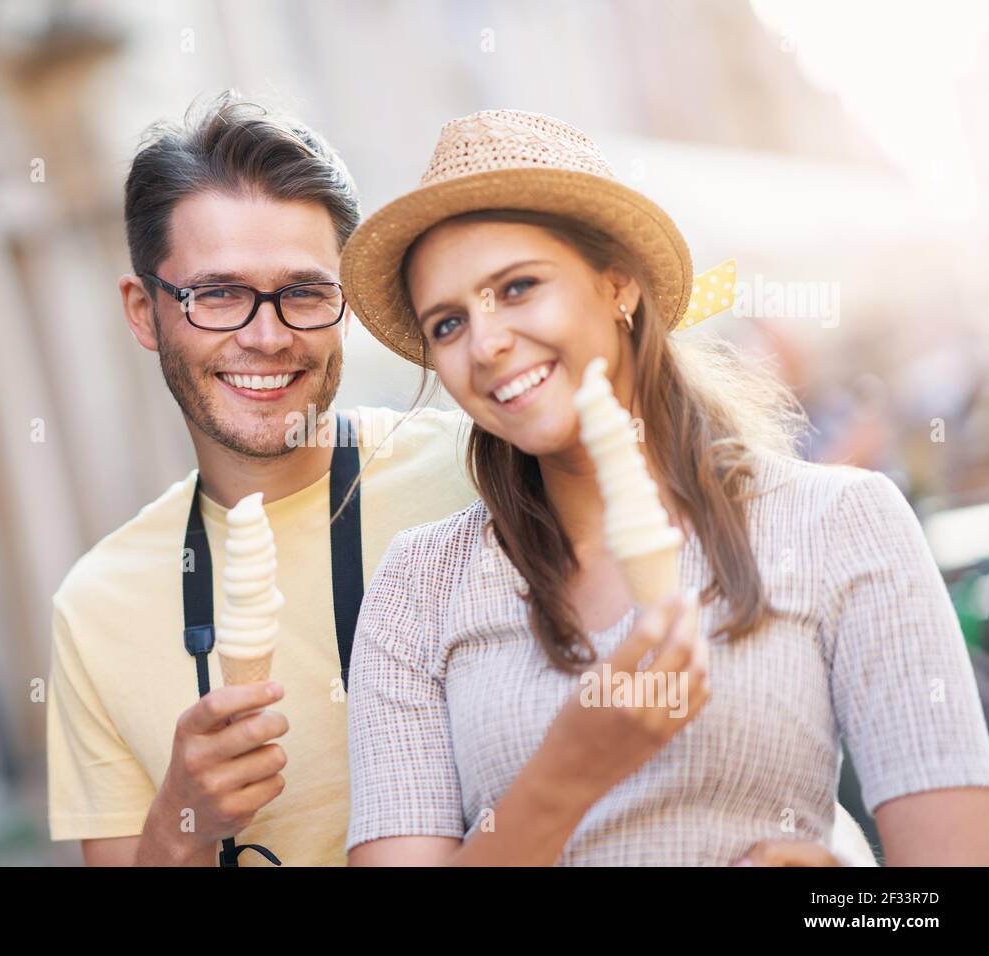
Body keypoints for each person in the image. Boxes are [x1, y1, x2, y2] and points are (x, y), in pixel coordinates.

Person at [338, 109, 989, 865]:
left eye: (517, 287)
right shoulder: (418, 587)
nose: (485, 344)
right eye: (447, 324)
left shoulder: (838, 521)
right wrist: (566, 775)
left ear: (619, 286)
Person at [45, 93, 479, 866]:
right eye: (218, 295)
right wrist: (181, 818)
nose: (268, 335)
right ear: (144, 312)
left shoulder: (476, 474)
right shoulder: (95, 607)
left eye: (305, 292)